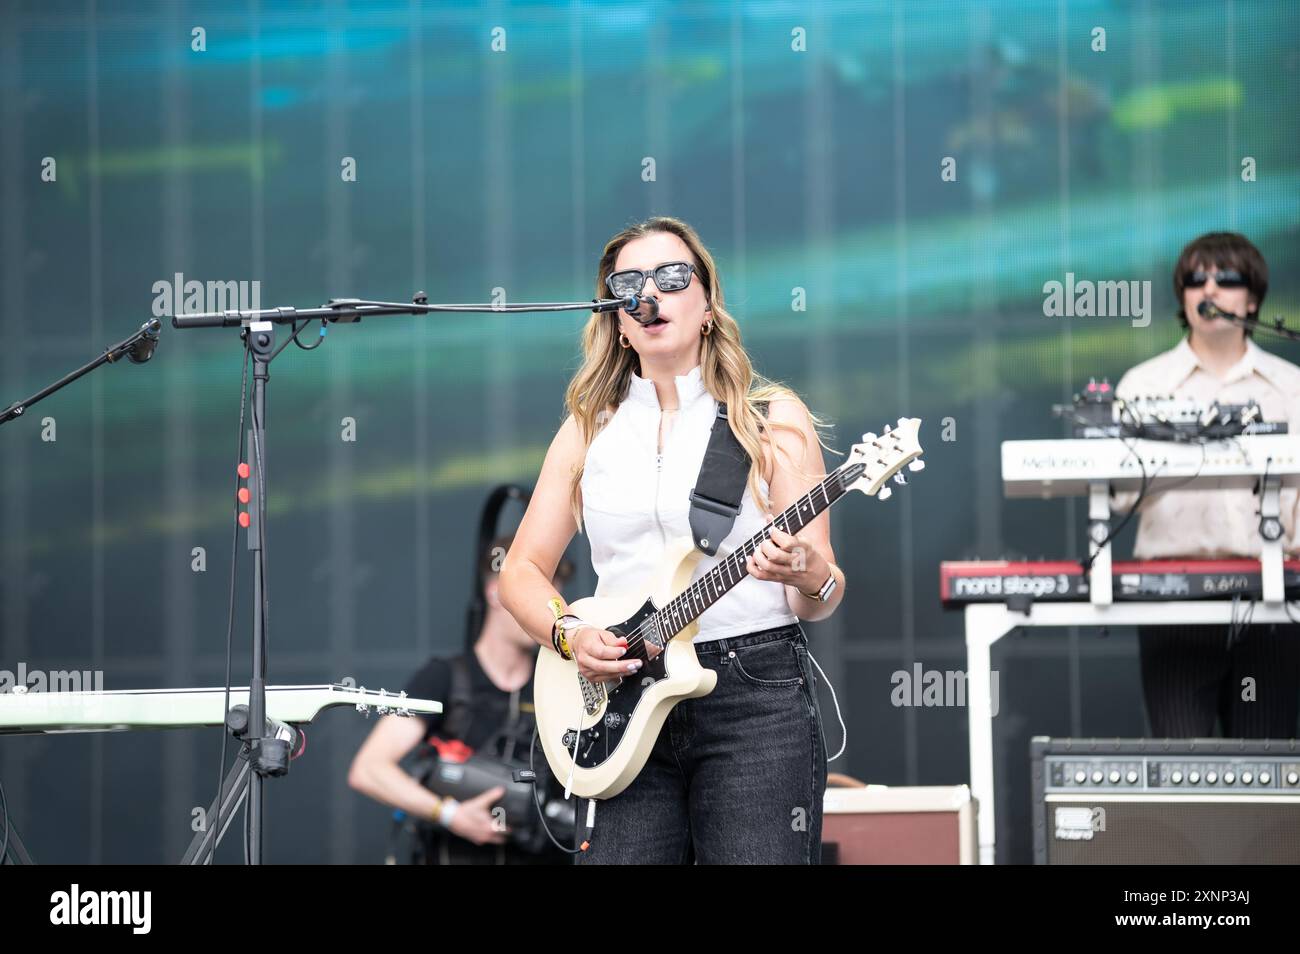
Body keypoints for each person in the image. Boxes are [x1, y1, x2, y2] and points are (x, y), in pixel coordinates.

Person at [499, 215, 846, 864]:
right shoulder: (586, 429)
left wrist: (804, 571)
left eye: (671, 276)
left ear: (707, 304)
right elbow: (520, 571)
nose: (649, 292)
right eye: (628, 283)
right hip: (621, 697)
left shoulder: (771, 418)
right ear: (619, 319)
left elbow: (823, 593)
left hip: (752, 694)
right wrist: (570, 636)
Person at [1115, 231, 1300, 738]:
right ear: (1183, 297)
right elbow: (1117, 495)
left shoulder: (1291, 387)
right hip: (1172, 599)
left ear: (1254, 298)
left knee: (1268, 787)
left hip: (1272, 600)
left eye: (1227, 278)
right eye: (1196, 279)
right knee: (1180, 783)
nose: (1209, 290)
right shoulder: (1144, 386)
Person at [348, 533, 568, 864]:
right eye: (537, 599)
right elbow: (369, 768)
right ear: (496, 593)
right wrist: (450, 814)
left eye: (553, 602)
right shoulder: (444, 678)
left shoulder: (559, 685)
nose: (549, 615)